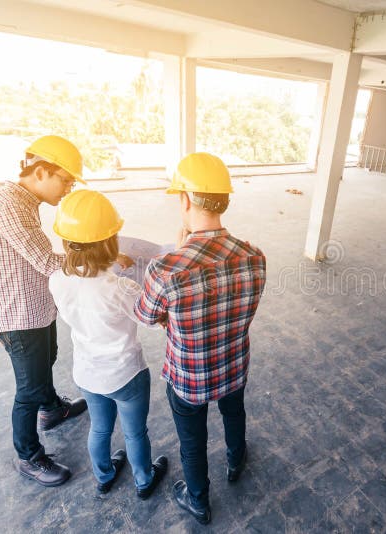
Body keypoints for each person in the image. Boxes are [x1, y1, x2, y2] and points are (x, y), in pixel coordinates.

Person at [135, 152, 266, 524]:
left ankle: (199, 500)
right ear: (224, 200)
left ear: (185, 200)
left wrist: (178, 256)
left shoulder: (168, 267)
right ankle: (236, 459)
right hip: (234, 364)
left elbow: (146, 315)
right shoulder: (255, 256)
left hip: (189, 377)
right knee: (234, 411)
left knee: (192, 443)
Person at [0, 135, 88, 487]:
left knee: (48, 358)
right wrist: (97, 258)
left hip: (35, 307)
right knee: (27, 388)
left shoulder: (23, 202)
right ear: (41, 172)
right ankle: (28, 456)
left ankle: (52, 408)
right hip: (18, 316)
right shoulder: (9, 207)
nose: (68, 190)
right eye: (66, 180)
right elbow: (46, 260)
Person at [48, 190, 168, 497]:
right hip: (125, 374)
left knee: (99, 428)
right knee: (135, 432)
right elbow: (150, 318)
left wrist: (112, 264)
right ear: (111, 242)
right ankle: (143, 480)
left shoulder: (56, 279)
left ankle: (104, 476)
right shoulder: (122, 287)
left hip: (87, 374)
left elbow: (90, 283)